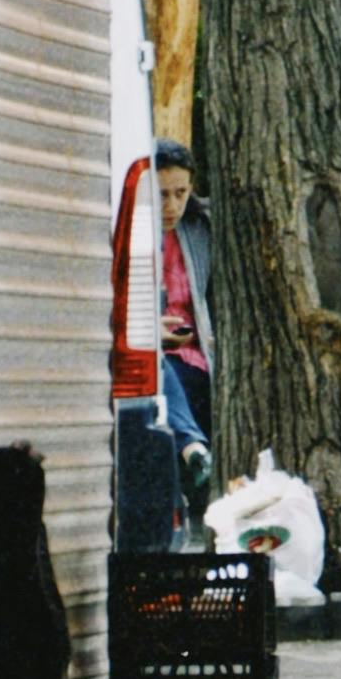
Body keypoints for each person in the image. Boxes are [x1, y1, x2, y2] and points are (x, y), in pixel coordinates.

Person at [153, 139, 216, 522]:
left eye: (181, 193)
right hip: (156, 353)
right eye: (161, 195)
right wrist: (151, 329)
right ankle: (194, 449)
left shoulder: (198, 228)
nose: (172, 206)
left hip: (198, 355)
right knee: (157, 367)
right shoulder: (133, 231)